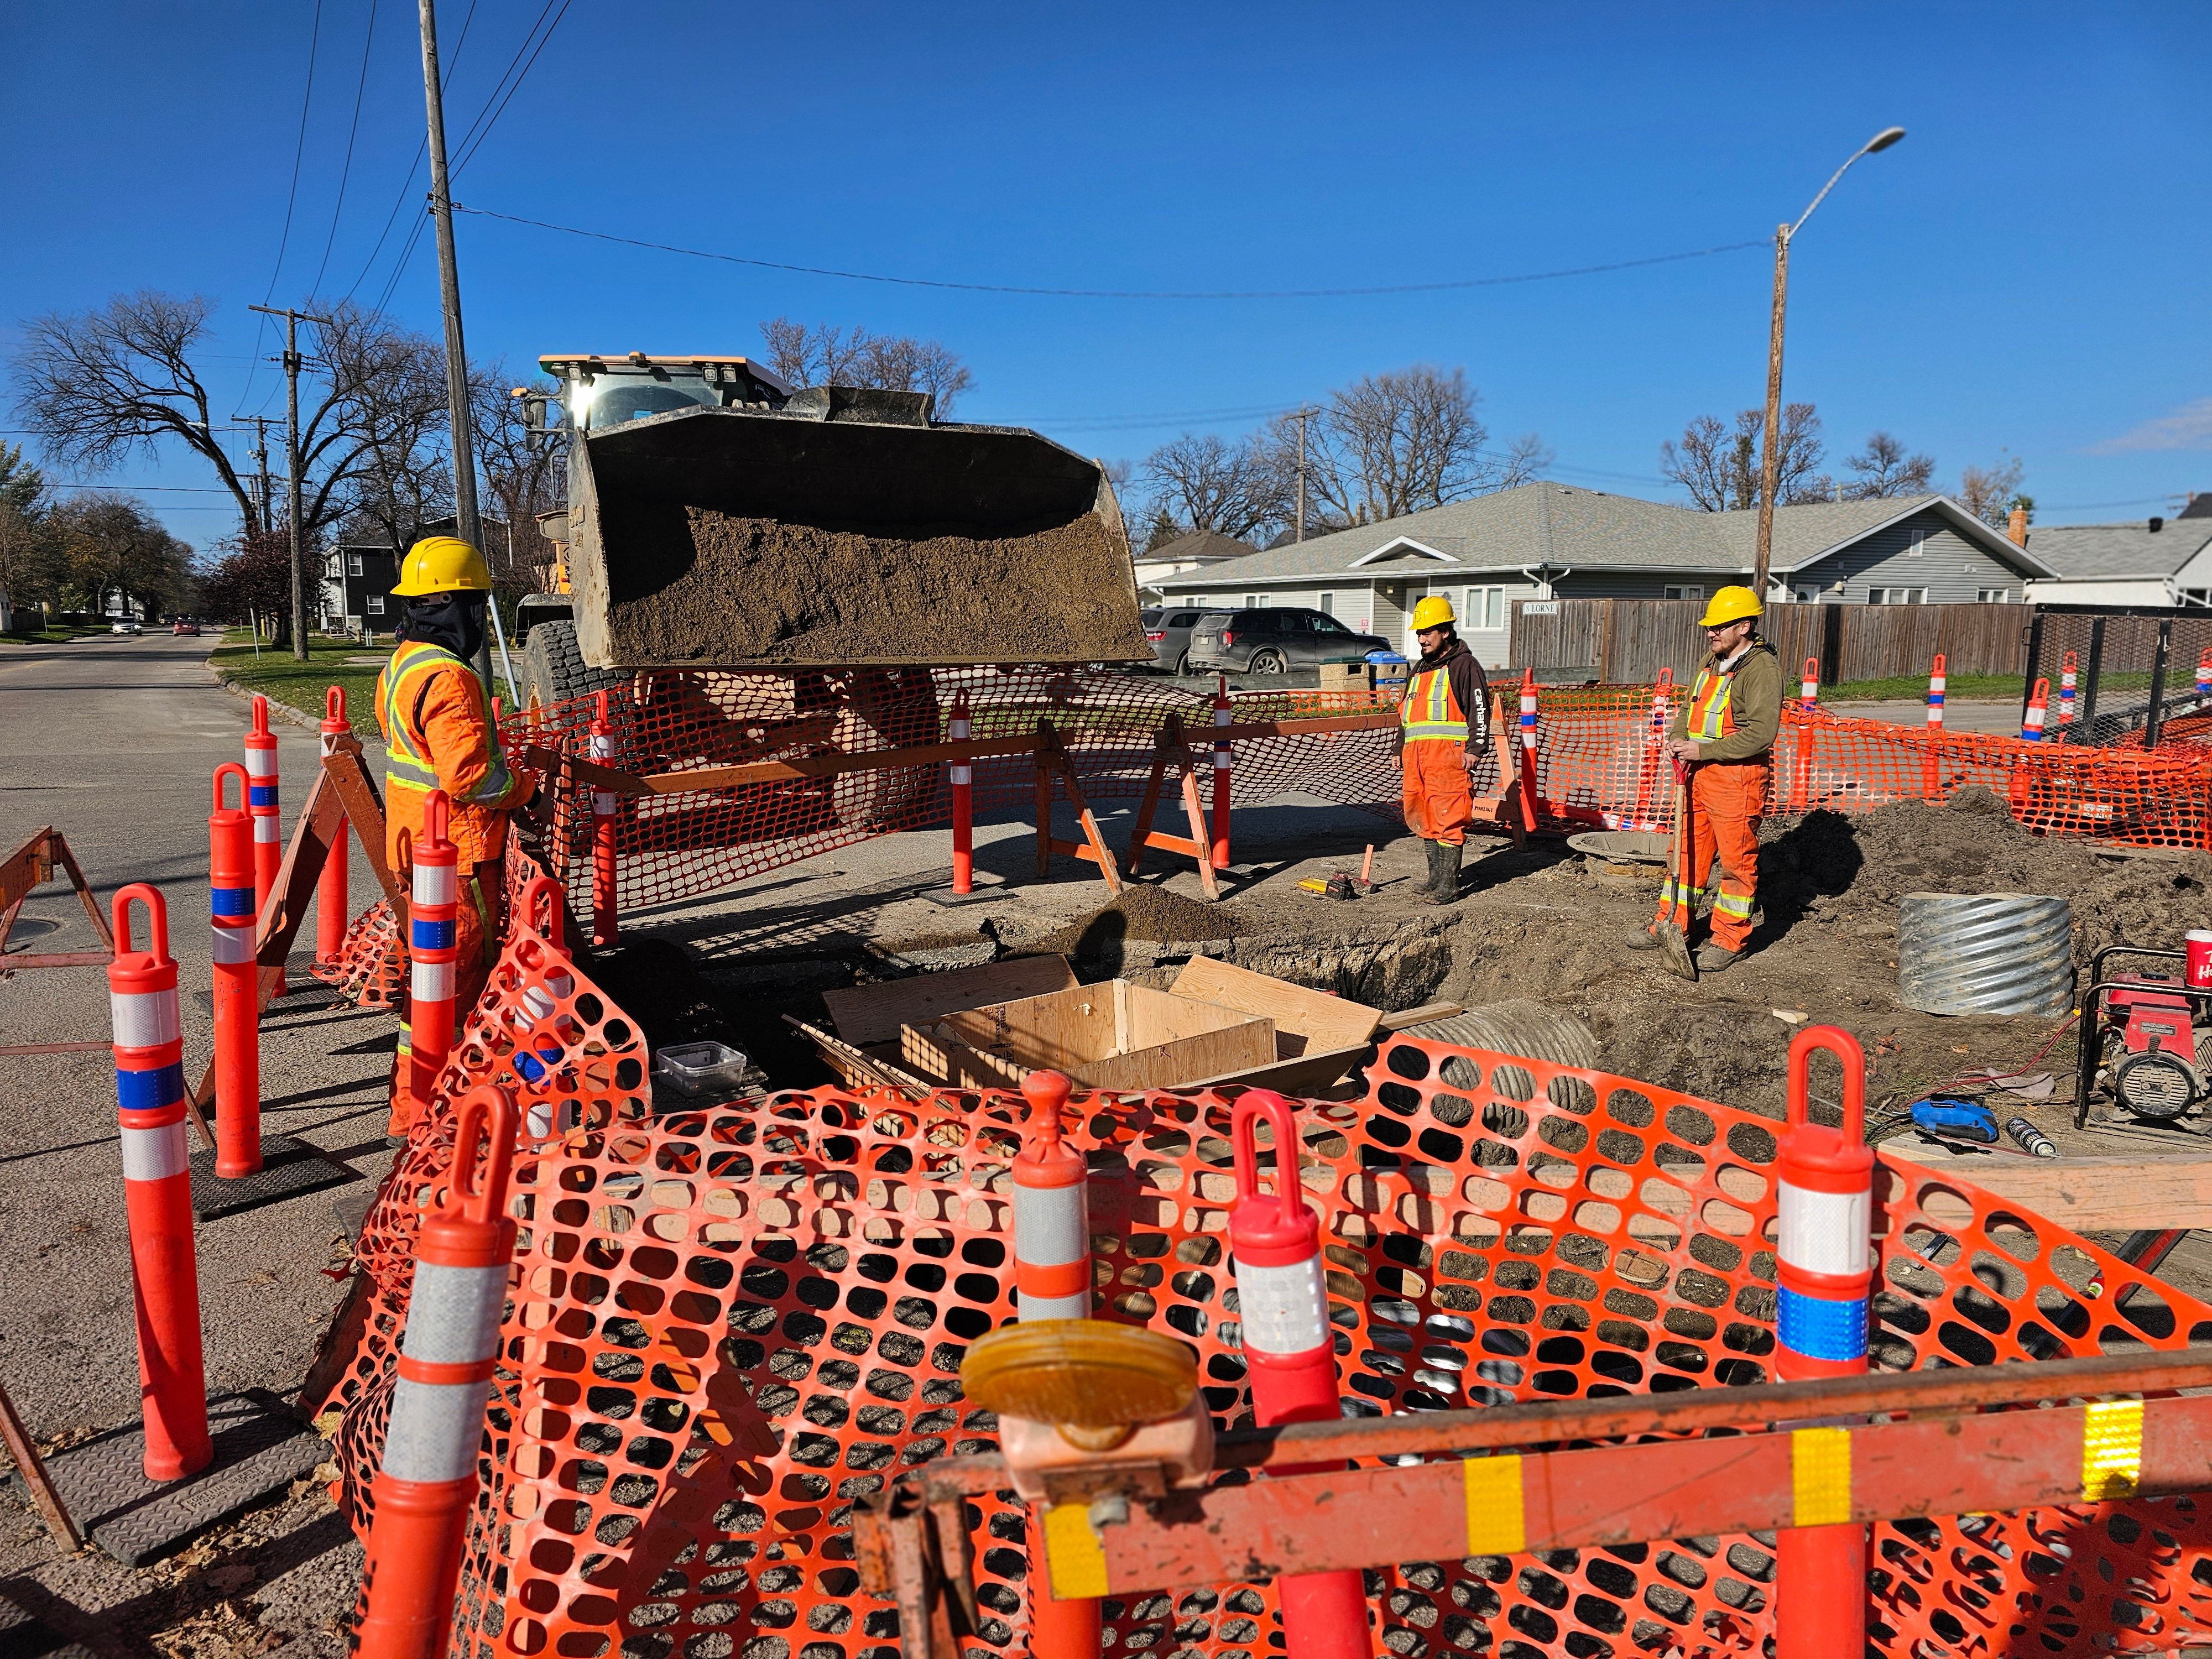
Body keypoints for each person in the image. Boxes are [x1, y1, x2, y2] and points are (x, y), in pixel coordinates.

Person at [375, 535, 539, 1137]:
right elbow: (469, 774)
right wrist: (525, 789)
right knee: (460, 981)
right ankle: (443, 1117)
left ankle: (411, 1110)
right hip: (458, 853)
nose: (477, 619)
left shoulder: (403, 664)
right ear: (452, 605)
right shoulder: (447, 677)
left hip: (418, 845)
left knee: (428, 986)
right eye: (474, 606)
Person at [1627, 585, 1782, 972]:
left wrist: (1705, 751)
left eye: (1719, 627)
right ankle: (1674, 923)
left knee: (1736, 861)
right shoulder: (1712, 661)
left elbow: (1762, 733)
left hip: (1737, 779)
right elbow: (1689, 707)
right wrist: (1679, 738)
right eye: (1709, 627)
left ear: (1745, 626)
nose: (1711, 633)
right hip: (1697, 774)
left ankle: (1730, 938)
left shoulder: (1761, 669)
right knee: (1684, 855)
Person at [1398, 594, 1491, 904]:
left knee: (1448, 816)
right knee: (1423, 814)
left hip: (1448, 757)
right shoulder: (1420, 668)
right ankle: (1435, 879)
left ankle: (1449, 885)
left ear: (1446, 632)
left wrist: (1476, 748)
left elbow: (1479, 709)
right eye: (1419, 633)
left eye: (1427, 632)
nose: (1421, 639)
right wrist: (1402, 749)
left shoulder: (1465, 666)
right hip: (1417, 759)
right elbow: (1408, 715)